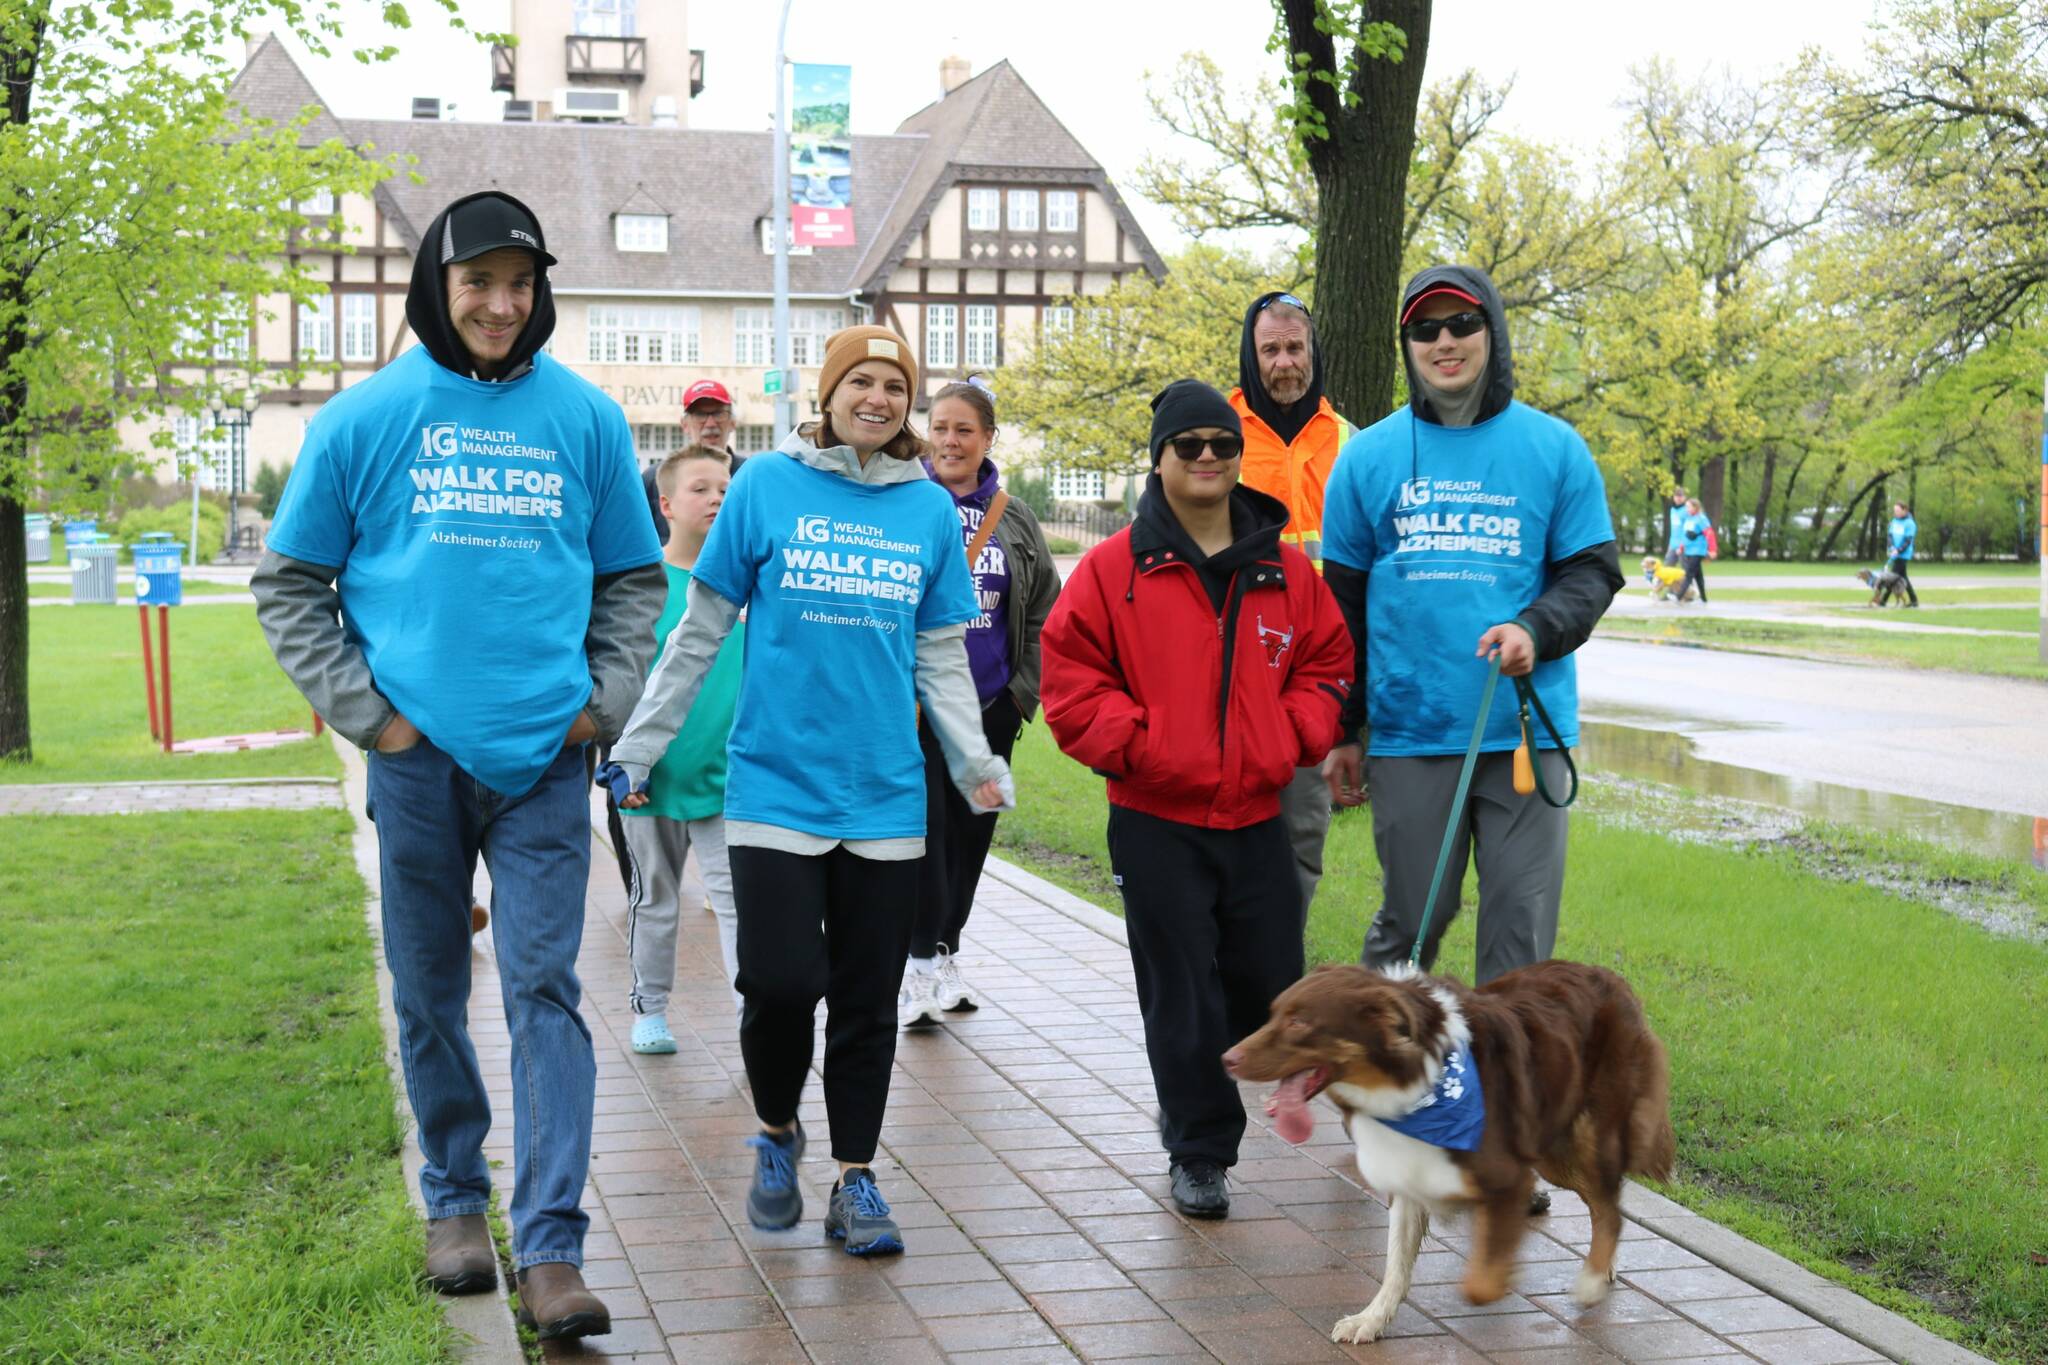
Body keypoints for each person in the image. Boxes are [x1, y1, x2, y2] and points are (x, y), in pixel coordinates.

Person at [253, 190, 663, 1342]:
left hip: (542, 758)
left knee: (544, 990)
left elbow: (632, 581)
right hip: (416, 762)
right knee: (429, 988)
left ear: (540, 295)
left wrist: (603, 702)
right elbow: (290, 584)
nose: (499, 303)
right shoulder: (365, 417)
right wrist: (374, 721)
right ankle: (452, 1202)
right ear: (438, 285)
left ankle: (550, 1249)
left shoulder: (583, 421)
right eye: (477, 281)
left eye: (519, 283)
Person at [599, 325, 1013, 1257]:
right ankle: (780, 1130)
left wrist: (974, 763)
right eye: (860, 381)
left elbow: (942, 657)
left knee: (866, 1001)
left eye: (894, 386)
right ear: (825, 394)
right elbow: (698, 634)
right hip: (774, 786)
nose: (878, 397)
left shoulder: (923, 510)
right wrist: (640, 745)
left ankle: (857, 1178)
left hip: (884, 796)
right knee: (780, 983)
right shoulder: (765, 491)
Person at [1039, 379, 1351, 1220]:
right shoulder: (1113, 571)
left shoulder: (1285, 569)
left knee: (1268, 983)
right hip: (1156, 820)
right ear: (1161, 459)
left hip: (1256, 814)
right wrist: (1142, 745)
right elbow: (1069, 681)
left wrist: (1288, 738)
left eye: (1221, 443)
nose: (1208, 457)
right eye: (1190, 446)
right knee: (1182, 994)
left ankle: (1285, 1096)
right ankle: (1199, 1151)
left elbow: (1327, 665)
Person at [1321, 263, 1623, 986]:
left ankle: (1505, 1096)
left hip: (1524, 732)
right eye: (1426, 329)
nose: (1445, 341)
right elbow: (1343, 612)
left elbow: (1593, 571)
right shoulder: (1366, 458)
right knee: (1410, 925)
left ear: (1493, 332)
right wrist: (1343, 729)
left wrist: (1535, 628)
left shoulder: (1555, 448)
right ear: (1408, 344)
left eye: (1462, 324)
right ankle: (1371, 1083)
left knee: (1520, 936)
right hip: (1410, 732)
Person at [899, 376, 1061, 1027]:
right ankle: (915, 966)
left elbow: (1047, 606)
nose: (950, 441)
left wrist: (1021, 695)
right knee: (928, 839)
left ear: (988, 438)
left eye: (964, 429)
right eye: (940, 427)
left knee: (969, 843)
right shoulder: (902, 502)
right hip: (916, 713)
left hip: (991, 712)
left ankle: (943, 954)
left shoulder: (1013, 516)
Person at [1228, 291, 1353, 917]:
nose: (1284, 363)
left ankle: (1276, 974)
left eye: (1294, 347)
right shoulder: (1215, 436)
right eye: (1270, 349)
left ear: (1313, 352)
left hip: (1311, 682)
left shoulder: (1353, 446)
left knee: (1302, 839)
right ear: (1251, 356)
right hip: (1225, 679)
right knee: (1222, 837)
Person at [620, 449, 746, 1051]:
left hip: (731, 777)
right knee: (657, 901)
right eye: (701, 488)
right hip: (655, 779)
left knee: (739, 901)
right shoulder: (643, 589)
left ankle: (756, 1011)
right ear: (666, 505)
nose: (718, 497)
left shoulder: (748, 585)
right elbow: (623, 681)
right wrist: (628, 759)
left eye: (725, 486)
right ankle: (650, 1008)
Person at [639, 379, 745, 544]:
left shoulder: (749, 475)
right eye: (700, 415)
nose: (710, 423)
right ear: (684, 425)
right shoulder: (655, 479)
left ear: (733, 422)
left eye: (718, 413)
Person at [1675, 497, 1711, 605]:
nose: (1687, 509)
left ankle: (1678, 596)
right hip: (1689, 550)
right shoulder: (1688, 519)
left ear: (1695, 507)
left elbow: (1709, 533)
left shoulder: (1701, 519)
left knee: (1689, 574)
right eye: (1686, 507)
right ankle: (1704, 599)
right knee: (1698, 576)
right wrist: (1681, 547)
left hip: (1698, 550)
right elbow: (1685, 536)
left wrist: (1712, 549)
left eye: (1688, 506)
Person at [1886, 500, 1920, 607]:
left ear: (1904, 510)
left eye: (1897, 510)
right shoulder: (1894, 521)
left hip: (1904, 555)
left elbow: (1908, 540)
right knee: (1903, 577)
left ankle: (1882, 600)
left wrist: (1899, 550)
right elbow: (1890, 535)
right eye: (1894, 510)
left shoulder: (1910, 523)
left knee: (1892, 577)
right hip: (1895, 553)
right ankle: (1914, 601)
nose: (1895, 512)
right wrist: (1891, 547)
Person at [1665, 486, 1688, 565]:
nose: (1678, 498)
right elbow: (1673, 529)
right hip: (1673, 544)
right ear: (1673, 497)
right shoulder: (1672, 510)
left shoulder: (1687, 510)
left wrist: (1684, 544)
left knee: (1686, 568)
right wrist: (1669, 545)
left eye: (1680, 496)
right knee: (1667, 567)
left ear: (1684, 497)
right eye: (1676, 496)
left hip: (1684, 545)